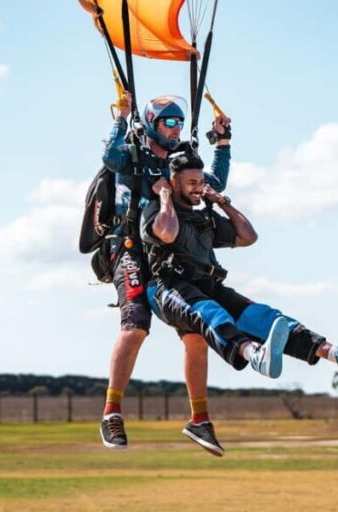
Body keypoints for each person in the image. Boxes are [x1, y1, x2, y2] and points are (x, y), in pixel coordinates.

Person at [140, 151, 338, 452]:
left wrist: (222, 203)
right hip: (168, 287)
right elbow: (167, 234)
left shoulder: (205, 217)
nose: (198, 188)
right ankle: (253, 354)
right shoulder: (155, 211)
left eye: (201, 182)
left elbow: (248, 237)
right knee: (209, 313)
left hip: (208, 284)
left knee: (264, 317)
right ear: (173, 183)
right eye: (192, 183)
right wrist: (165, 196)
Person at [99, 91, 232, 454]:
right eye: (168, 123)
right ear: (152, 124)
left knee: (195, 334)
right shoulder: (131, 156)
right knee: (136, 324)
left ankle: (199, 420)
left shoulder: (177, 162)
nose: (175, 130)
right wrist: (121, 117)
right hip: (128, 249)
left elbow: (210, 185)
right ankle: (112, 412)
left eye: (178, 122)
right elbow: (109, 158)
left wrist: (222, 142)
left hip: (167, 255)